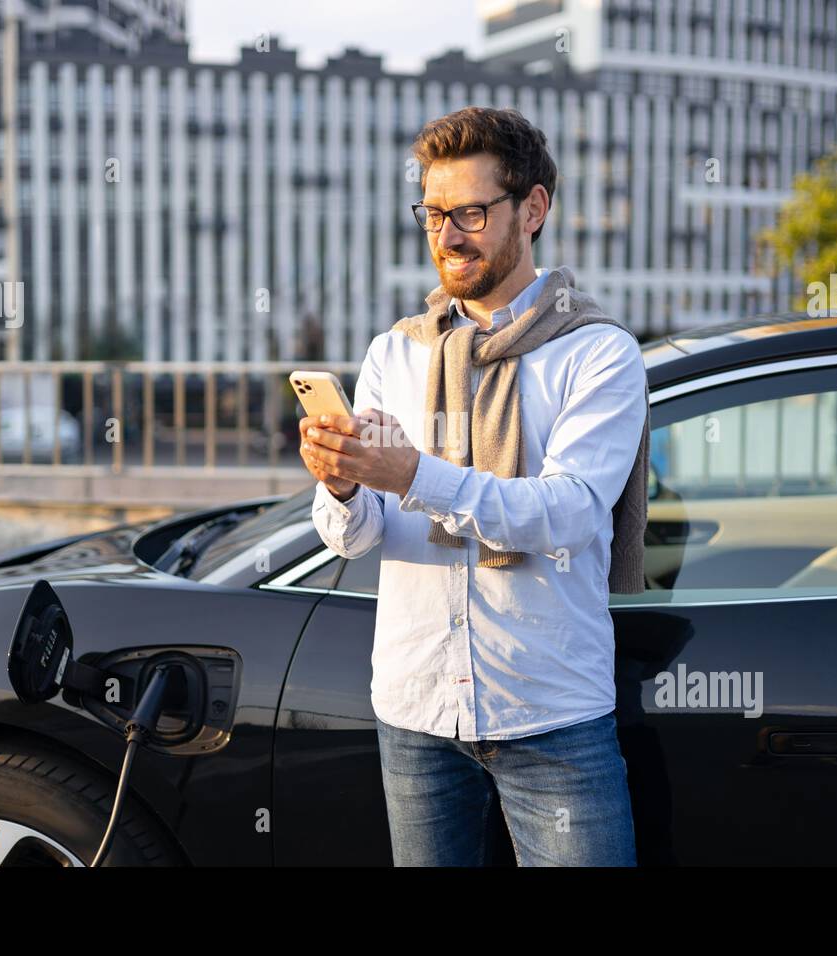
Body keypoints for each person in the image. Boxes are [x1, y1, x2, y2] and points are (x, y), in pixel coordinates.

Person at [299, 106, 649, 866]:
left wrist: (411, 474)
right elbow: (358, 538)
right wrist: (343, 486)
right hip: (416, 713)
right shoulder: (396, 352)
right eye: (432, 214)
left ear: (533, 209)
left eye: (469, 213)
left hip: (550, 714)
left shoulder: (598, 353)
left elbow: (569, 514)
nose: (447, 236)